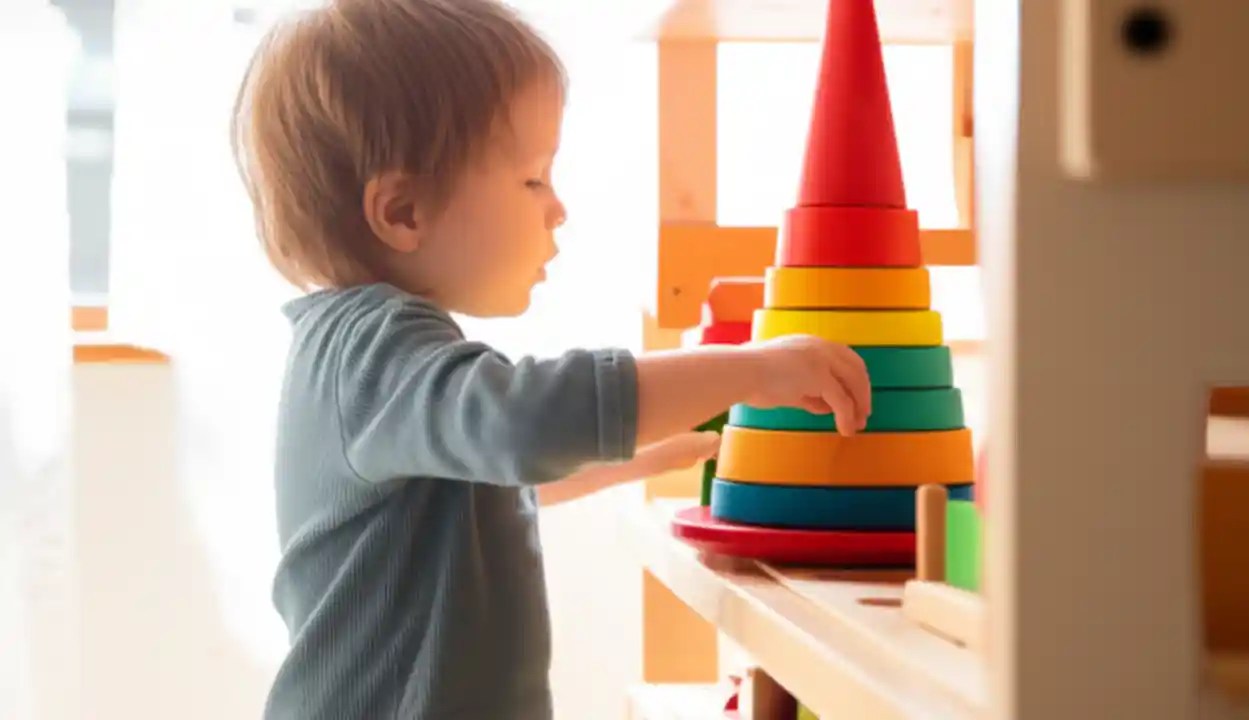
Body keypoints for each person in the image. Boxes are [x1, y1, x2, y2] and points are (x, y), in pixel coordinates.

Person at [230, 0, 871, 717]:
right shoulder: (372, 347)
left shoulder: (370, 355)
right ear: (403, 212)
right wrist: (758, 368)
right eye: (533, 179)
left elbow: (479, 480)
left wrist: (629, 456)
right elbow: (522, 424)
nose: (557, 207)